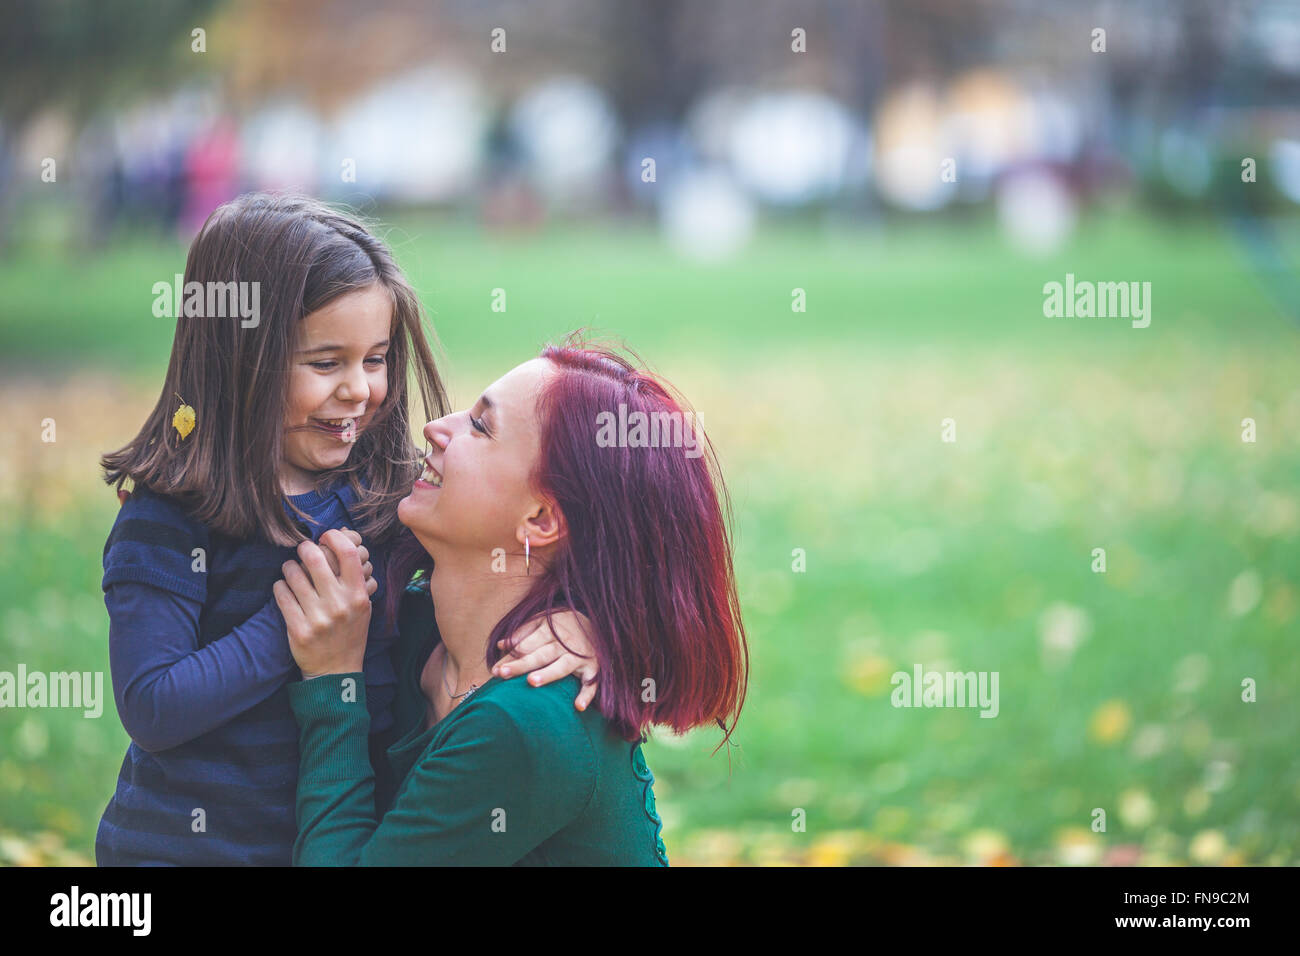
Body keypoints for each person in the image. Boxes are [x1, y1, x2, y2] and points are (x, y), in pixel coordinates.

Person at [96, 193, 593, 865]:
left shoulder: (381, 493)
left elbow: (502, 554)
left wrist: (581, 625)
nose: (359, 389)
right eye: (326, 363)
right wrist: (300, 630)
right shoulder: (172, 513)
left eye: (376, 358)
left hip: (342, 840)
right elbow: (152, 706)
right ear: (237, 359)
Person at [278, 340, 749, 865]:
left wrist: (333, 682)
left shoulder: (527, 721)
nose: (436, 427)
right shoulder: (416, 630)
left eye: (480, 427)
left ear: (540, 520)